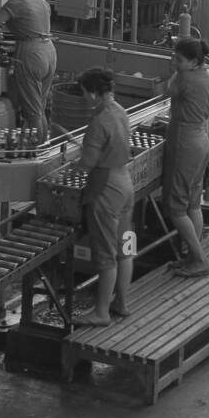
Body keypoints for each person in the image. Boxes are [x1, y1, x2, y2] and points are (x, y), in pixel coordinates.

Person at [73, 66, 134, 326]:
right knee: (123, 249)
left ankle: (101, 312)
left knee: (106, 255)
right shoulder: (119, 111)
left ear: (95, 94)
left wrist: (71, 164)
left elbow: (88, 162)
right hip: (124, 182)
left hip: (105, 188)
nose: (84, 98)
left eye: (85, 93)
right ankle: (121, 302)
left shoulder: (98, 122)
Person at [162, 37, 209, 277]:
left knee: (176, 207)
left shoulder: (184, 78)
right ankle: (192, 254)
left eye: (178, 59)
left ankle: (199, 259)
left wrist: (175, 72)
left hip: (184, 143)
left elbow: (166, 90)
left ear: (194, 61)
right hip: (201, 140)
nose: (174, 62)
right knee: (193, 203)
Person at [0, 0, 57, 138]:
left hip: (32, 54)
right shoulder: (41, 1)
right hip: (49, 51)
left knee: (32, 112)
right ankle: (42, 143)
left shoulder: (15, 3)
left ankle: (38, 149)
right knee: (39, 107)